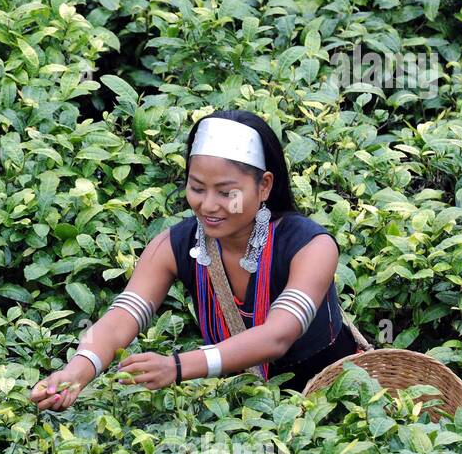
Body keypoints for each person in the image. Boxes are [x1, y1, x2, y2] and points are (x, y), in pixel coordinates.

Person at [30, 109, 359, 410]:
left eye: (226, 192)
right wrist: (76, 369)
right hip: (242, 411)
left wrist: (176, 367)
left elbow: (278, 335)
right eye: (197, 188)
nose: (209, 205)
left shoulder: (311, 246)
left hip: (333, 404)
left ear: (264, 186)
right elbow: (120, 318)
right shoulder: (174, 246)